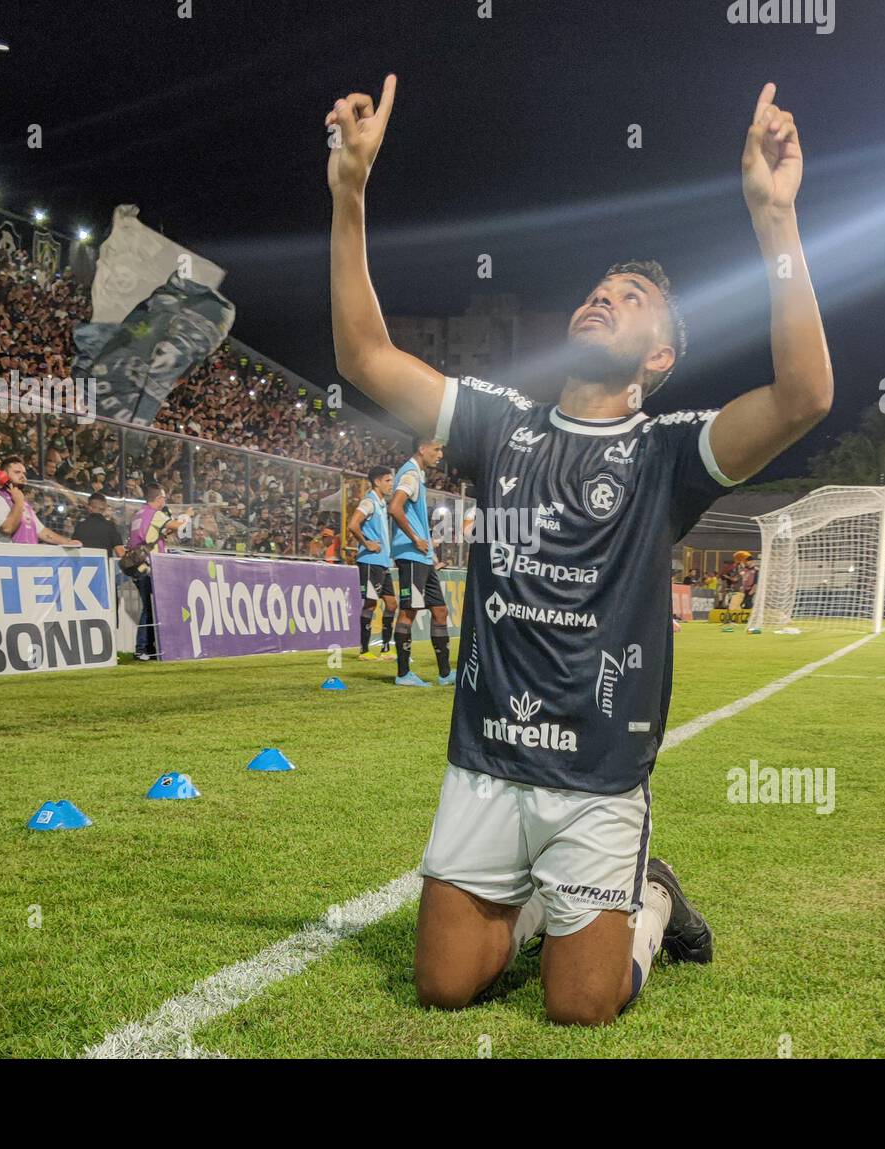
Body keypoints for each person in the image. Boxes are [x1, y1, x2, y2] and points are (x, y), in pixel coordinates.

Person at [328, 77, 831, 1024]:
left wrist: (774, 220)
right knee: (441, 986)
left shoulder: (667, 453)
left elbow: (804, 394)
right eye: (600, 289)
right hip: (487, 762)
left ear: (659, 358)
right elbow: (364, 358)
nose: (605, 297)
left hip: (598, 778)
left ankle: (654, 897)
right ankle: (533, 912)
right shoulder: (495, 425)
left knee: (582, 1008)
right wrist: (350, 193)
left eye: (631, 298)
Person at [388, 435, 454, 687]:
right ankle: (404, 674)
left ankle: (445, 673)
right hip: (412, 556)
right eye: (436, 449)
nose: (440, 455)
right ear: (422, 448)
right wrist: (415, 538)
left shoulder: (418, 475)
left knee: (440, 611)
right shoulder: (410, 474)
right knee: (409, 611)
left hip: (423, 558)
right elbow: (394, 508)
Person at [127, 483, 184, 661]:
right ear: (158, 498)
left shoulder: (139, 514)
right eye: (164, 498)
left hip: (137, 563)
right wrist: (187, 517)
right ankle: (142, 648)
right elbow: (177, 525)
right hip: (150, 565)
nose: (164, 501)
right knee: (149, 607)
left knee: (150, 606)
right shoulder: (155, 514)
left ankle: (150, 647)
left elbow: (147, 536)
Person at [348, 465, 398, 660]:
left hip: (382, 562)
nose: (391, 484)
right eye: (387, 480)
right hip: (370, 561)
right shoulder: (369, 501)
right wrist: (366, 543)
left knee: (392, 604)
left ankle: (386, 648)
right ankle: (364, 650)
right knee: (370, 603)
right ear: (377, 482)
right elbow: (353, 524)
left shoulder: (382, 503)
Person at [0, 457, 81, 546]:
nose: (23, 476)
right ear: (3, 475)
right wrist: (18, 503)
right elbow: (7, 529)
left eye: (24, 473)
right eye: (17, 472)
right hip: (0, 561)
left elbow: (41, 531)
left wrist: (66, 542)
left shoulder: (23, 502)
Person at [73, 492, 126, 558]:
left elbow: (73, 548)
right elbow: (120, 552)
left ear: (89, 508)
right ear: (105, 507)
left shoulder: (79, 526)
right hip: (104, 567)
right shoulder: (110, 526)